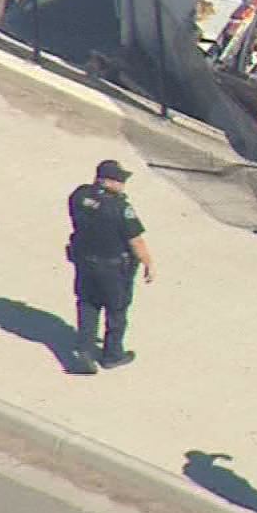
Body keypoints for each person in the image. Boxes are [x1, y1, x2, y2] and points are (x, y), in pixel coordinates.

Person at [67, 159, 155, 373]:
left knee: (88, 303)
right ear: (106, 180)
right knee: (116, 309)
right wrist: (148, 263)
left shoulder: (79, 195)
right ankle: (113, 355)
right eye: (119, 180)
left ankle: (85, 349)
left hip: (85, 261)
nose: (122, 184)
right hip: (113, 269)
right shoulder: (119, 207)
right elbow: (136, 240)